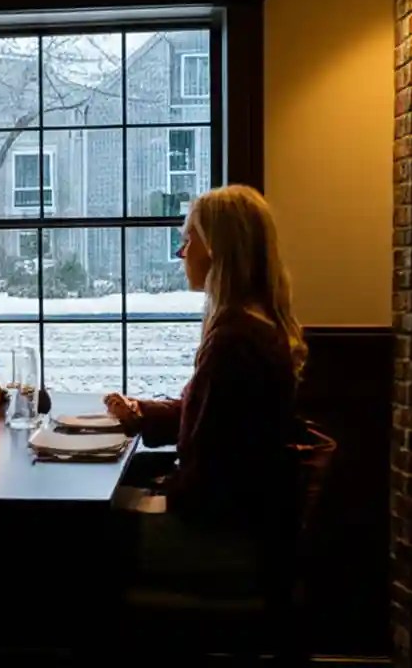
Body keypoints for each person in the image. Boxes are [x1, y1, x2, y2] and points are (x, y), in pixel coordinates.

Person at [104, 184, 310, 612]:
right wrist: (141, 415)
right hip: (249, 528)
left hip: (221, 541)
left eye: (188, 239)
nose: (182, 254)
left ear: (216, 248)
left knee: (76, 537)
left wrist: (156, 491)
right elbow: (207, 421)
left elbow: (208, 482)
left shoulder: (234, 342)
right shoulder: (256, 325)